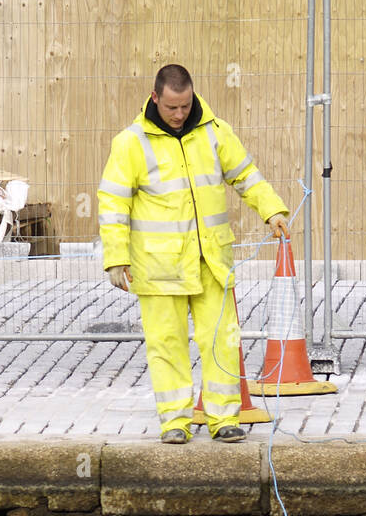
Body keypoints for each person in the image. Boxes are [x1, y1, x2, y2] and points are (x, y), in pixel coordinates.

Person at [98, 62, 291, 445]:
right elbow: (113, 203)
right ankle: (175, 422)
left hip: (210, 263)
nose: (179, 113)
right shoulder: (131, 143)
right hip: (157, 268)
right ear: (155, 98)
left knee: (222, 340)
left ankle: (224, 419)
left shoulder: (215, 133)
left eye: (185, 105)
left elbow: (245, 175)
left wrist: (273, 210)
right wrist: (116, 258)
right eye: (171, 107)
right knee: (166, 345)